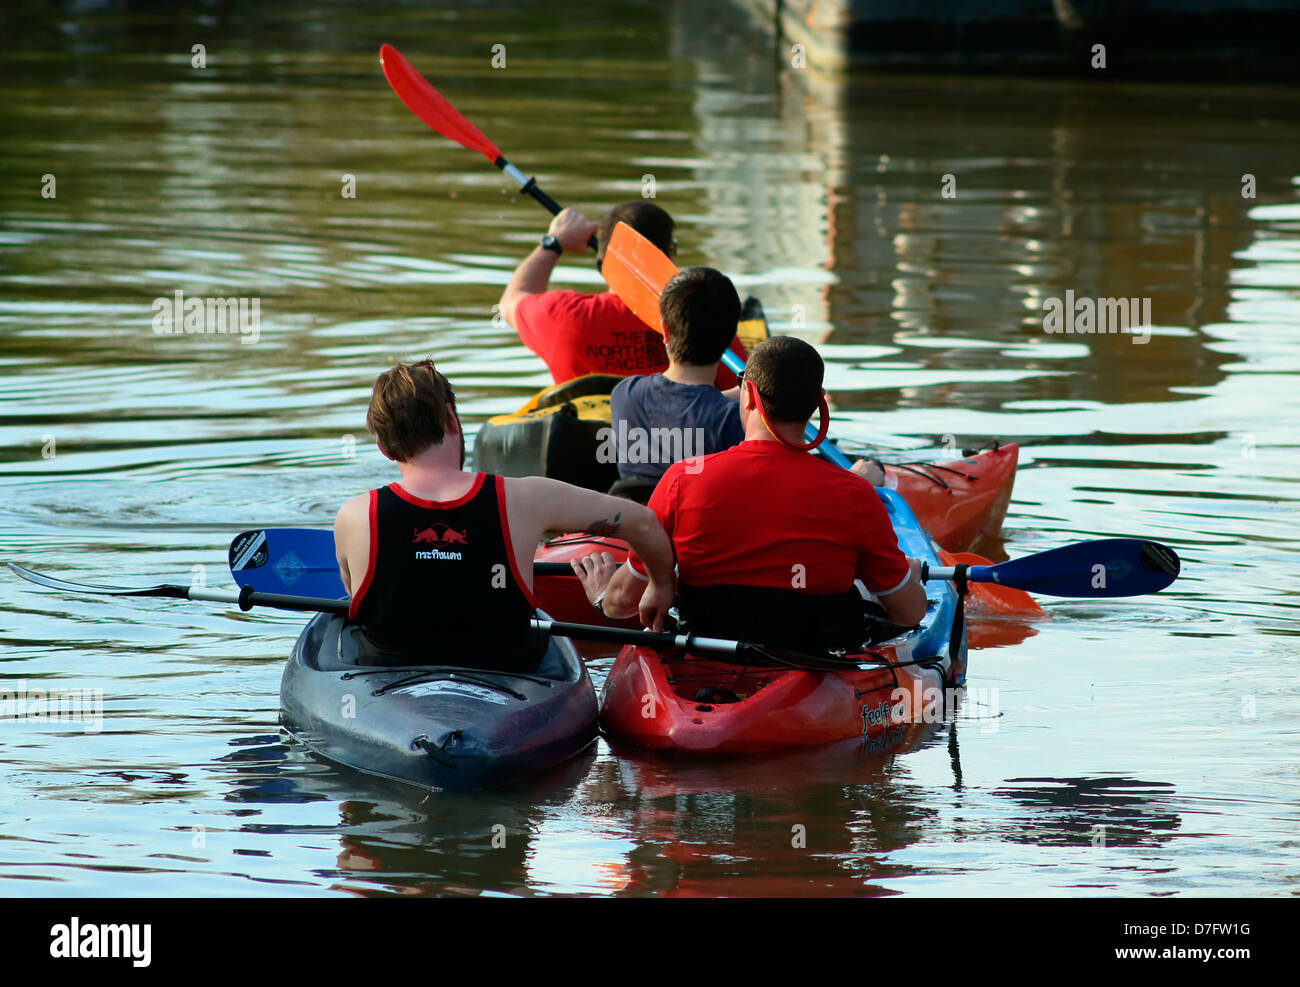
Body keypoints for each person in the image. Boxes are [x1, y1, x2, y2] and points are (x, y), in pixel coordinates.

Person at [571, 335, 927, 654]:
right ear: (818, 403)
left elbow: (621, 603)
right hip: (817, 667)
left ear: (749, 394)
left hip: (709, 662)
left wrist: (602, 593)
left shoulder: (682, 479)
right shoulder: (856, 493)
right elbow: (909, 613)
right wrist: (907, 578)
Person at [335, 359, 675, 671]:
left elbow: (359, 603)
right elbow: (643, 522)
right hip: (503, 678)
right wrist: (660, 584)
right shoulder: (525, 498)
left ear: (382, 445)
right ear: (451, 418)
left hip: (388, 685)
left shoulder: (354, 517)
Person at [498, 202, 678, 383]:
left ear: (603, 262)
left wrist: (554, 243)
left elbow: (509, 303)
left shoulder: (563, 314)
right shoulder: (692, 316)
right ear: (666, 256)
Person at [606, 267, 745, 501]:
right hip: (696, 527)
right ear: (731, 336)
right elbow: (707, 410)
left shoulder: (624, 394)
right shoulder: (734, 420)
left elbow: (689, 407)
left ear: (666, 330)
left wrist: (740, 395)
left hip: (636, 522)